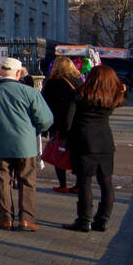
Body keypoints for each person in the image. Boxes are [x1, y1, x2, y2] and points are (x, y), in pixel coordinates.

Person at [0, 57, 53, 232]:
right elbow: (46, 120)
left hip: (0, 143)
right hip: (26, 144)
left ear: (0, 73)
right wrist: (33, 130)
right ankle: (26, 219)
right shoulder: (31, 93)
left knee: (2, 180)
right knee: (27, 181)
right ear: (18, 73)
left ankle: (5, 218)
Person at [63, 63, 127, 233]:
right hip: (105, 142)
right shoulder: (112, 97)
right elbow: (124, 98)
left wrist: (67, 136)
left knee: (84, 182)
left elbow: (67, 121)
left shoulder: (79, 94)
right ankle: (103, 219)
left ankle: (84, 220)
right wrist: (122, 89)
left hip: (83, 142)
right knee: (106, 182)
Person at [42, 56, 82, 192]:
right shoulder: (78, 81)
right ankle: (78, 184)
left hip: (58, 122)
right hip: (77, 122)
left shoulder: (53, 83)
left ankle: (63, 184)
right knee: (76, 152)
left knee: (59, 151)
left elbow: (44, 103)